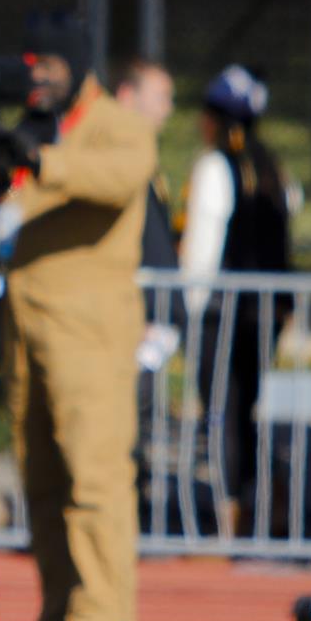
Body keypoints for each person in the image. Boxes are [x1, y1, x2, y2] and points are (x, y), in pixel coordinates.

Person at [0, 17, 155, 621]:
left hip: (91, 332)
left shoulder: (117, 125)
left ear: (80, 65)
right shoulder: (43, 126)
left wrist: (40, 159)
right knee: (43, 479)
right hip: (29, 328)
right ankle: (59, 616)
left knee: (94, 476)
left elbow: (119, 178)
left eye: (52, 63)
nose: (40, 76)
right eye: (35, 64)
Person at [181, 65, 293, 537]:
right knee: (246, 405)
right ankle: (256, 500)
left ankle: (232, 508)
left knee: (221, 409)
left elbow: (204, 242)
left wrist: (188, 302)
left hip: (221, 309)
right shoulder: (273, 167)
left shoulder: (215, 167)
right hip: (265, 309)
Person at [113, 57, 181, 493]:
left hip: (150, 321)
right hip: (127, 320)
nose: (168, 109)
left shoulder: (145, 159)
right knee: (115, 429)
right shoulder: (113, 155)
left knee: (133, 424)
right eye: (161, 98)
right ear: (127, 96)